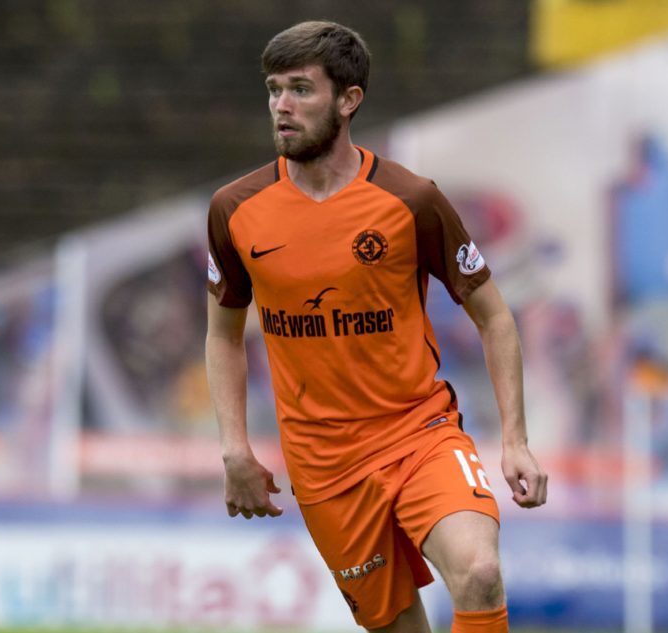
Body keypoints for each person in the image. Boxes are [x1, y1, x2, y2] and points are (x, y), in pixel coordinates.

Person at [204, 21, 547, 633]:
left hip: (421, 435)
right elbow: (223, 334)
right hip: (324, 467)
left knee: (478, 574)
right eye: (274, 90)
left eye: (301, 90)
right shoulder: (235, 210)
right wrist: (235, 447)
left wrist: (515, 440)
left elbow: (494, 316)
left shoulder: (411, 200)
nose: (282, 105)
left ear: (348, 100)